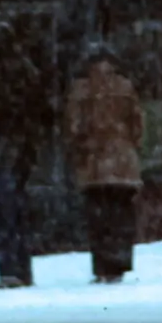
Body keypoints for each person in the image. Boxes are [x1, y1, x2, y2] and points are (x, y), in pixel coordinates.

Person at [0, 17, 49, 287]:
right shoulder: (25, 69)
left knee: (6, 208)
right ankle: (19, 266)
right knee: (14, 208)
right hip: (19, 146)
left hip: (8, 145)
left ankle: (9, 267)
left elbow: (8, 107)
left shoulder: (2, 71)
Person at [66, 45, 145, 282]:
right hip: (123, 161)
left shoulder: (81, 90)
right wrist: (129, 146)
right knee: (121, 214)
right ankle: (119, 262)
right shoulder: (124, 86)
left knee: (98, 218)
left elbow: (74, 127)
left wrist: (79, 149)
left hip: (95, 163)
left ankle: (102, 266)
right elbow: (138, 124)